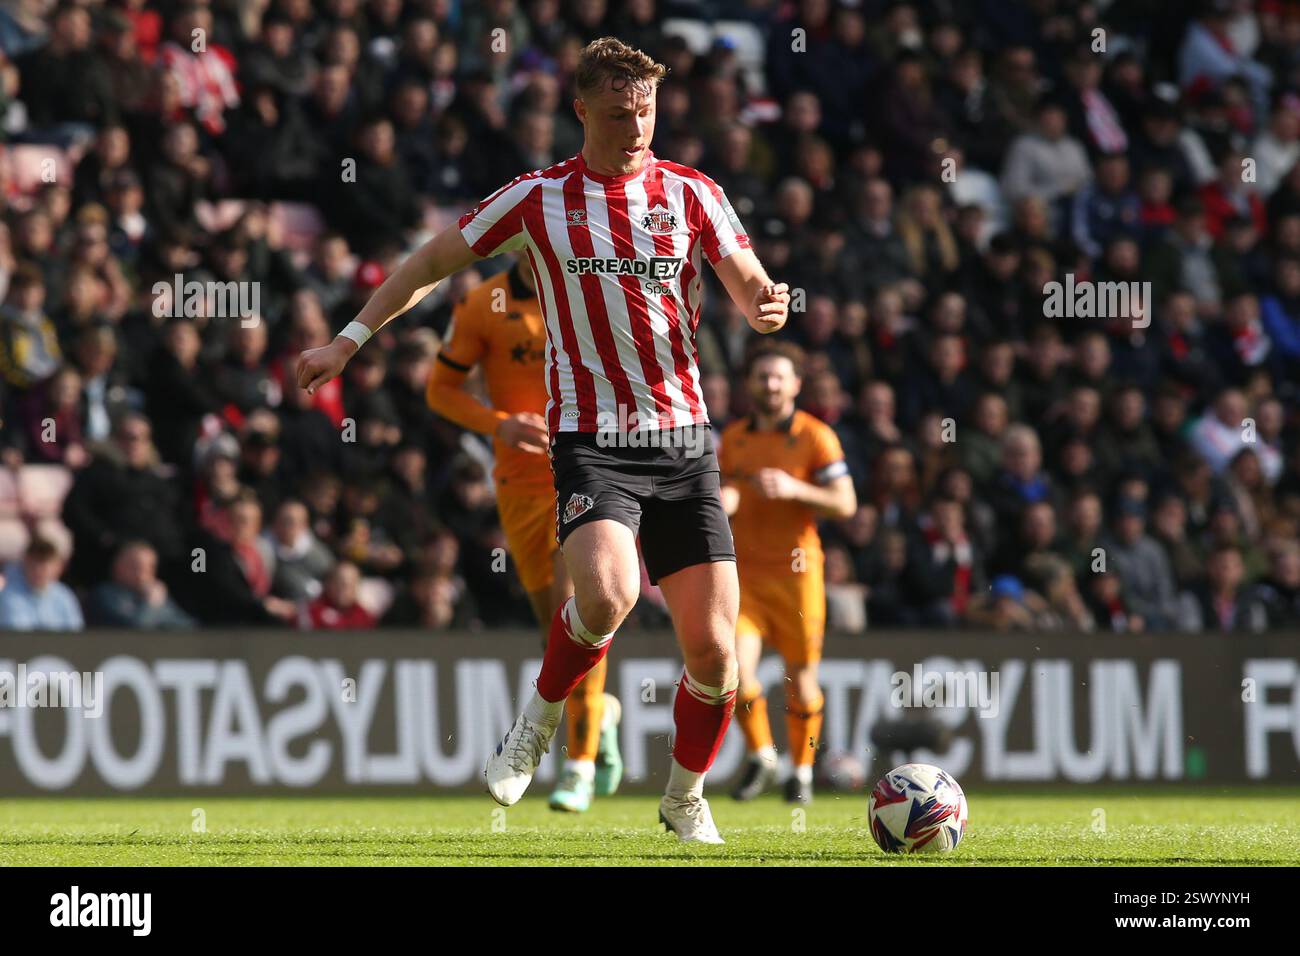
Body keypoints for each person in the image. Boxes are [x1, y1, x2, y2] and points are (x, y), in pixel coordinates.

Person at [297, 37, 790, 843]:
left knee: (715, 657)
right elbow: (430, 263)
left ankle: (683, 797)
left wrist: (767, 301)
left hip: (684, 443)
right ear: (581, 111)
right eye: (619, 112)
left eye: (647, 110)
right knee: (605, 596)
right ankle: (536, 724)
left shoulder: (694, 192)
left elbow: (746, 277)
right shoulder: (537, 198)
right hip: (591, 439)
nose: (636, 127)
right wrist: (347, 340)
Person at [426, 255, 623, 813]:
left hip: (585, 473)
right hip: (517, 485)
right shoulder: (480, 304)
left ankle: (578, 765)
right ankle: (601, 715)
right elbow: (440, 390)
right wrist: (500, 424)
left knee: (582, 608)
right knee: (556, 633)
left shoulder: (591, 291)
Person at [718, 342, 856, 804]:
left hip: (799, 577)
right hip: (746, 578)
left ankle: (802, 771)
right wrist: (727, 500)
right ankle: (762, 754)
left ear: (796, 384)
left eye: (779, 377)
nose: (770, 385)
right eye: (762, 377)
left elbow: (845, 503)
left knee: (802, 677)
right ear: (749, 385)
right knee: (732, 671)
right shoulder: (733, 438)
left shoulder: (817, 436)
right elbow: (725, 493)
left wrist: (796, 487)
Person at [0, 538, 84, 631]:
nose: (38, 571)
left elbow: (76, 633)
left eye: (44, 566)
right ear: (25, 562)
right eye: (34, 565)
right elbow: (19, 637)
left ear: (58, 567)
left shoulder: (64, 595)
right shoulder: (8, 595)